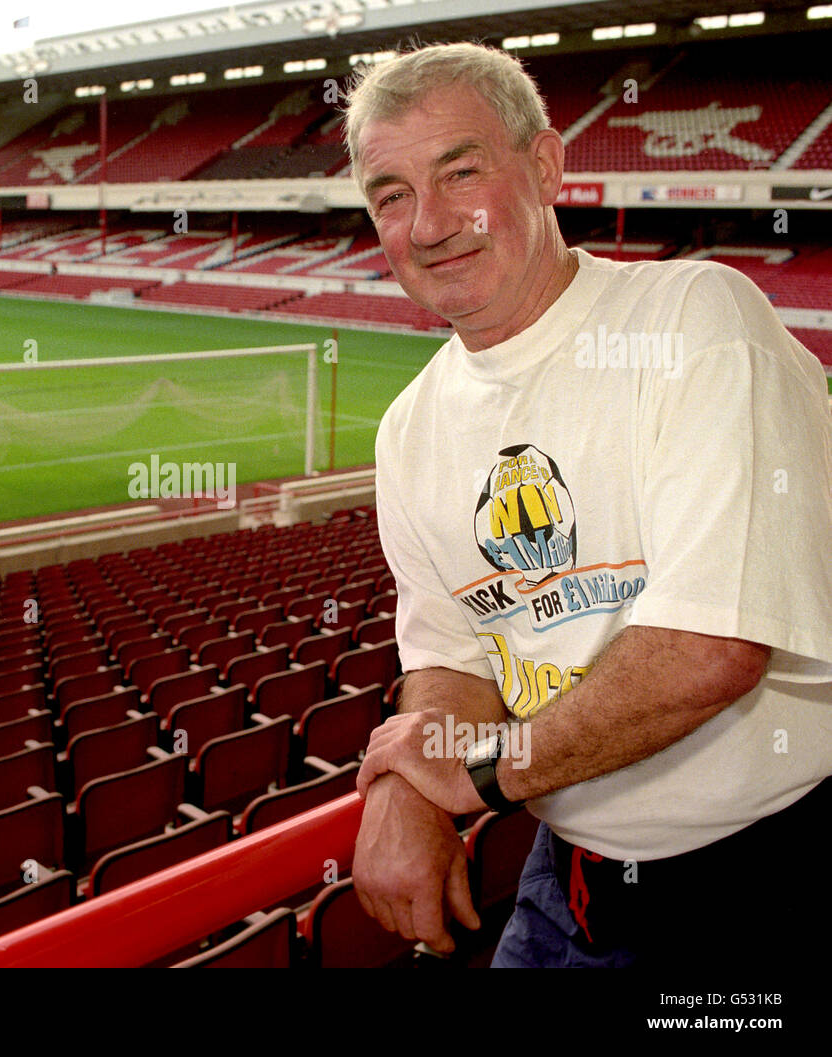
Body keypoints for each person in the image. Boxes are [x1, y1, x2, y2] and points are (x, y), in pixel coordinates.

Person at [343, 41, 832, 968]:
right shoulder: (409, 429)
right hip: (569, 878)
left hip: (773, 879)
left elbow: (709, 648)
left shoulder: (697, 320)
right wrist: (407, 785)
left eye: (461, 171)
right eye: (391, 194)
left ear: (546, 166)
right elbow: (453, 652)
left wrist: (471, 776)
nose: (431, 223)